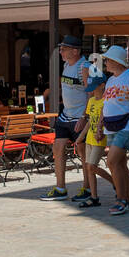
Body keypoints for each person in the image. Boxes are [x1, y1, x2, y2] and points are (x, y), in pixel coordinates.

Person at [42, 35, 90, 201]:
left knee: (84, 153)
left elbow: (92, 94)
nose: (61, 51)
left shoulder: (84, 66)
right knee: (58, 147)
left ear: (75, 51)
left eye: (64, 48)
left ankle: (87, 188)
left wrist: (85, 117)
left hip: (79, 117)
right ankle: (60, 188)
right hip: (66, 115)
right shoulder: (65, 65)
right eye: (61, 48)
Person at [101, 45, 129, 216]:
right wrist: (100, 127)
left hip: (126, 125)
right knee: (120, 163)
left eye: (108, 60)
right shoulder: (111, 80)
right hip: (111, 126)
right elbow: (107, 105)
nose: (106, 63)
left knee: (111, 161)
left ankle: (121, 199)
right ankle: (127, 198)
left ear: (117, 61)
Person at [73, 75, 115, 206]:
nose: (92, 91)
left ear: (102, 85)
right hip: (90, 138)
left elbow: (105, 120)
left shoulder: (106, 101)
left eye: (94, 87)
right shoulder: (91, 101)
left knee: (92, 166)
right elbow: (90, 120)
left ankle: (114, 181)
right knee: (89, 168)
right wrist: (80, 137)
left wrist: (99, 130)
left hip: (100, 138)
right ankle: (94, 197)